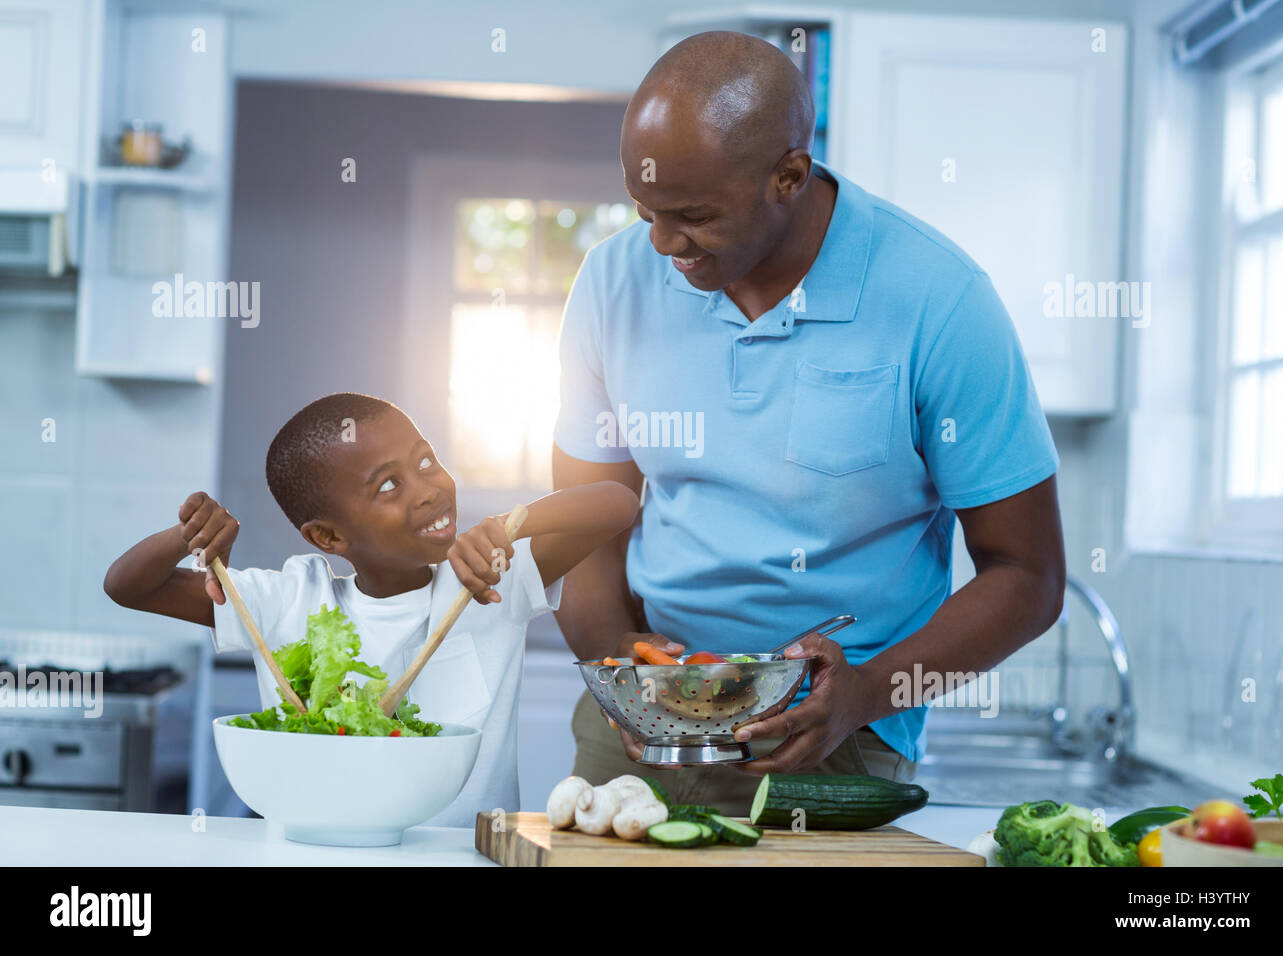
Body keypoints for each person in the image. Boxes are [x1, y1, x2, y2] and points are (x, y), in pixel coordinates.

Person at [552, 32, 1066, 815]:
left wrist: (861, 694)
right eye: (644, 209)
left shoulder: (940, 298)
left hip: (838, 735)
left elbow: (1027, 577)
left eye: (691, 216)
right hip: (639, 720)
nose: (659, 244)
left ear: (788, 177)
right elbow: (583, 533)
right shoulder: (611, 280)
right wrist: (623, 673)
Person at [104, 392, 640, 826]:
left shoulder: (485, 577)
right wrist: (187, 535)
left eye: (426, 460)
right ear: (328, 536)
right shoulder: (288, 601)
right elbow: (129, 586)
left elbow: (616, 503)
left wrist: (510, 524)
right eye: (389, 485)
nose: (429, 489)